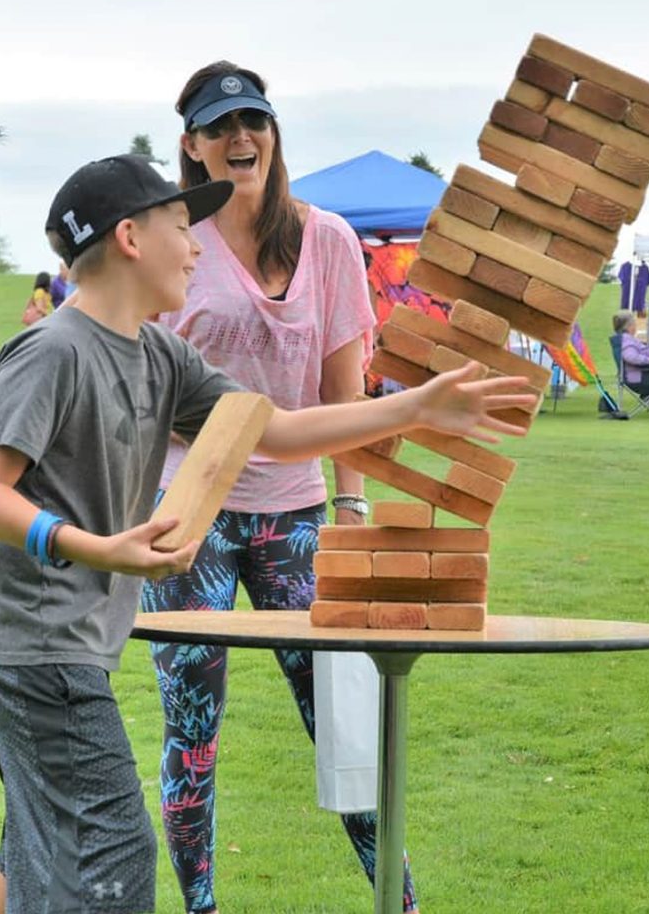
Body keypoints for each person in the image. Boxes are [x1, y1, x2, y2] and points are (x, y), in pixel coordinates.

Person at [0, 153, 532, 913]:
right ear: (130, 237)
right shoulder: (53, 350)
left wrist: (413, 409)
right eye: (183, 227)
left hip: (55, 638)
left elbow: (280, 432)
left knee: (40, 841)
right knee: (114, 844)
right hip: (32, 640)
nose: (197, 247)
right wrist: (96, 548)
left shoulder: (161, 355)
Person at [137, 61, 407, 914]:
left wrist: (353, 506)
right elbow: (146, 386)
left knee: (345, 721)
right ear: (192, 146)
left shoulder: (326, 239)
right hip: (192, 511)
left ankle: (397, 902)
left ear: (274, 132)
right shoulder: (172, 240)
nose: (239, 137)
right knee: (193, 728)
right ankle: (199, 908)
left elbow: (345, 397)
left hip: (297, 514)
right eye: (219, 127)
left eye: (253, 120)